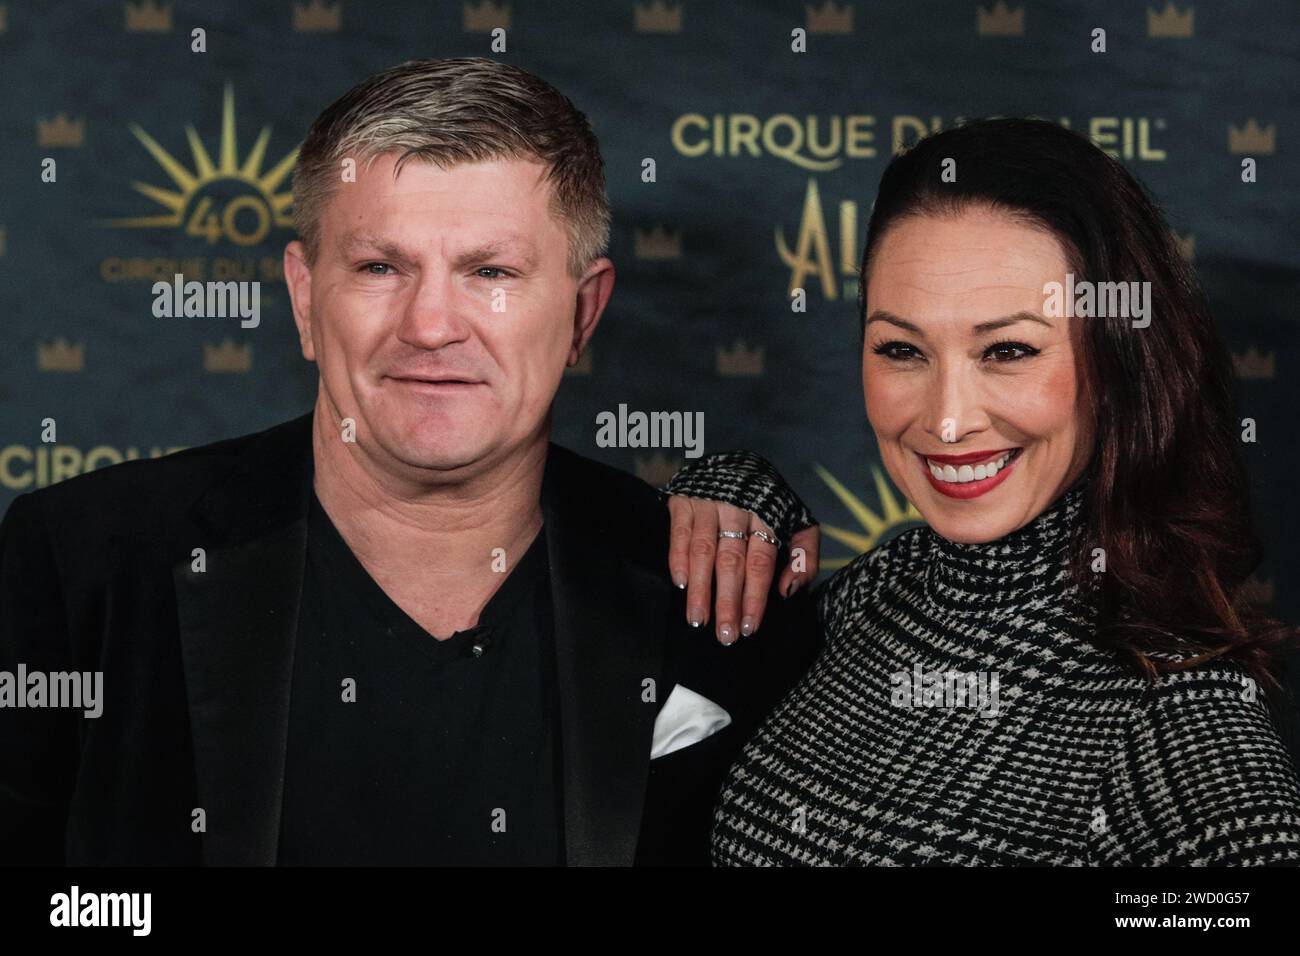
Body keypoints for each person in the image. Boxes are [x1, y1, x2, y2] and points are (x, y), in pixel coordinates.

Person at [0, 57, 820, 866]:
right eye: (379, 267)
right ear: (303, 297)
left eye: (490, 272)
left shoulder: (711, 593)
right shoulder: (85, 562)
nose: (430, 325)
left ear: (582, 311)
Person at [668, 118, 1300, 865]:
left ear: (1119, 362)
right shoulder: (875, 593)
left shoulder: (1180, 716)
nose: (946, 418)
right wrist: (727, 496)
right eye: (902, 350)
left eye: (1008, 351)